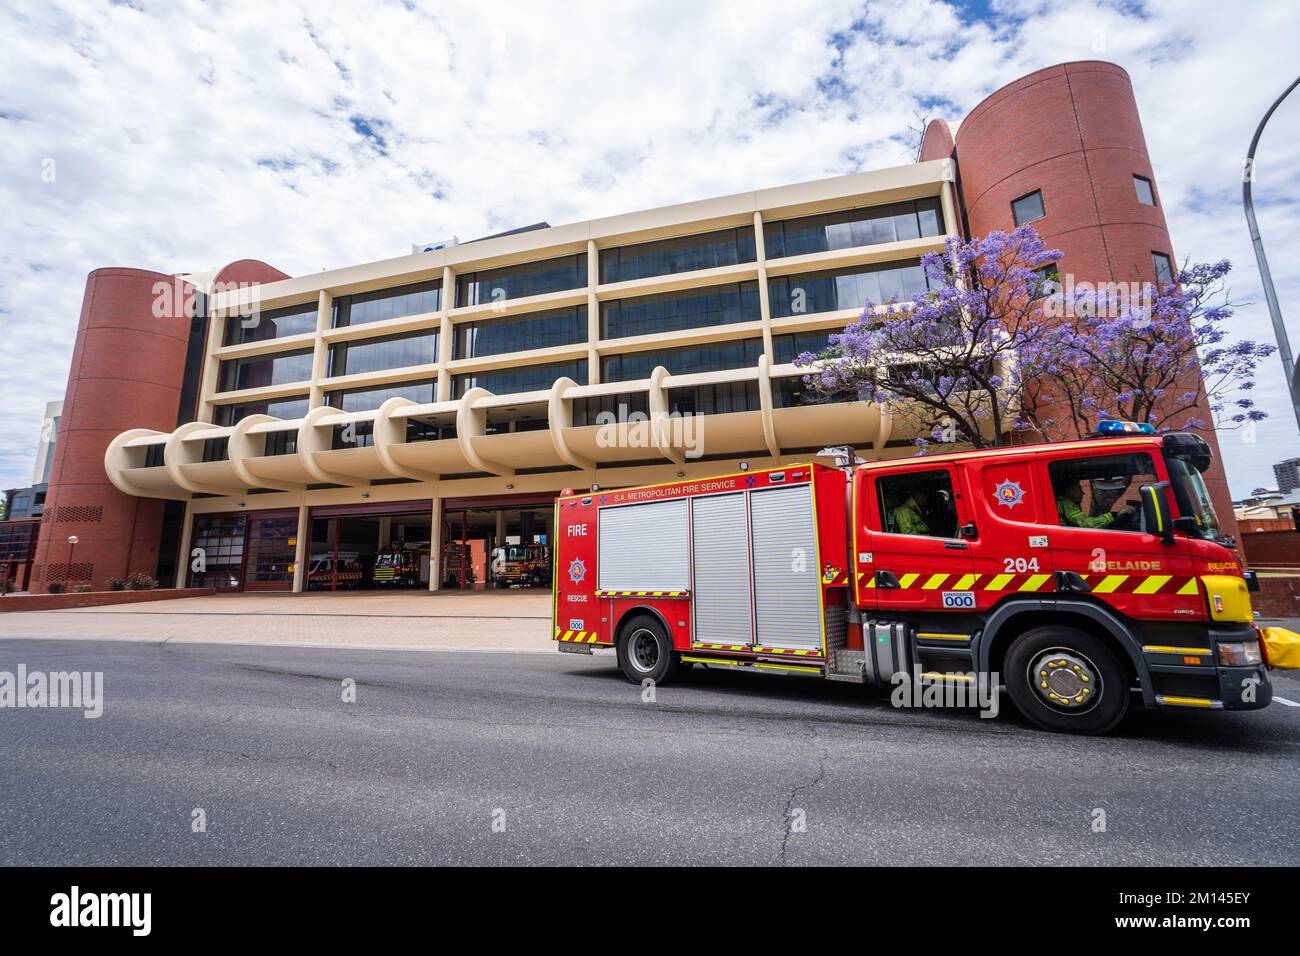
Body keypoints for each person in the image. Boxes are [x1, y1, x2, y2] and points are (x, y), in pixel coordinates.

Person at [1054, 477, 1135, 529]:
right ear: (1070, 491)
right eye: (1079, 489)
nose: (1083, 493)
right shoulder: (1067, 504)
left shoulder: (1061, 503)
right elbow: (1086, 523)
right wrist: (1114, 515)